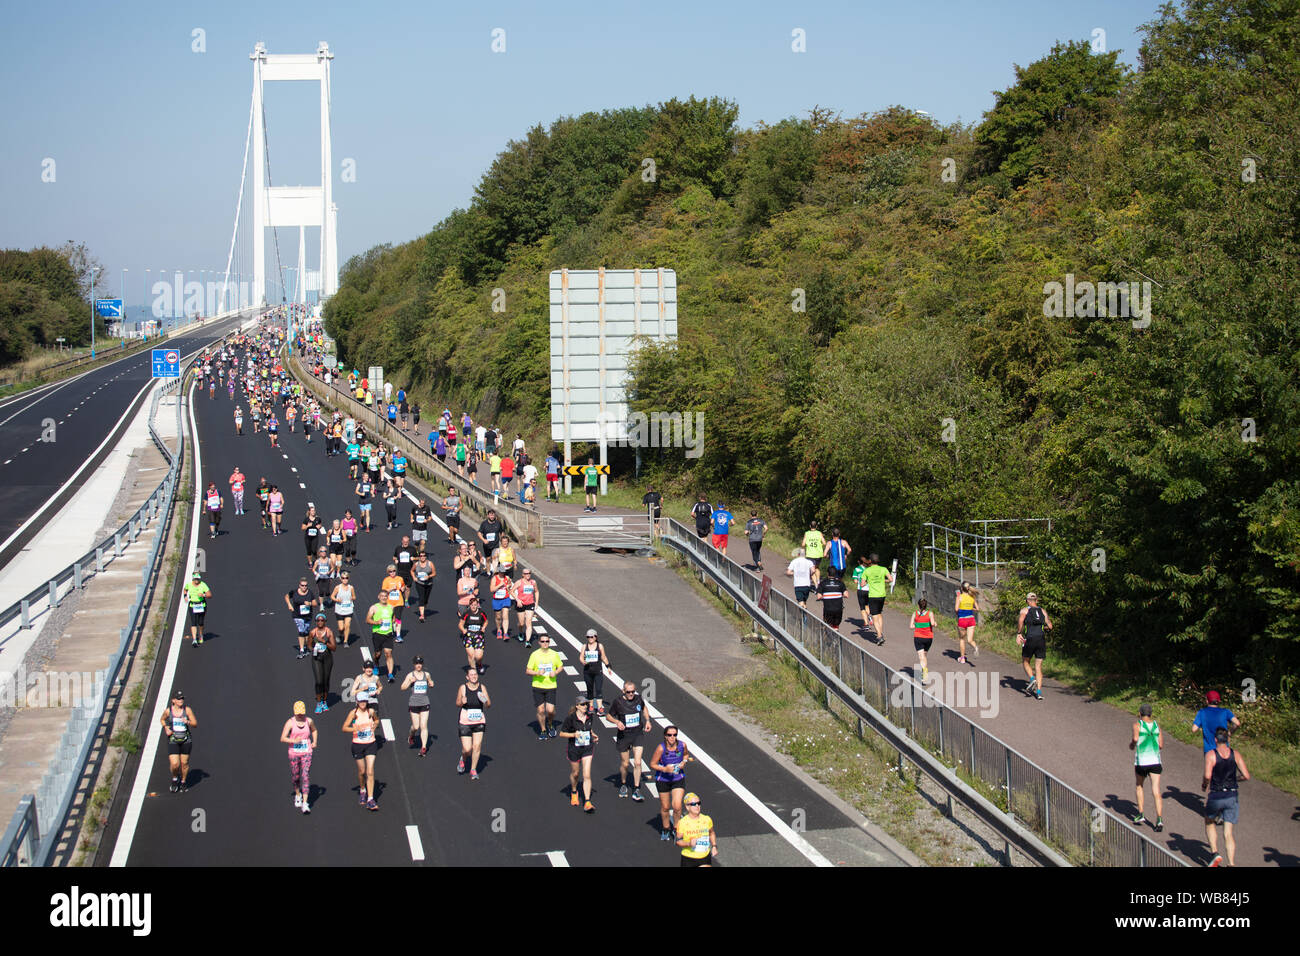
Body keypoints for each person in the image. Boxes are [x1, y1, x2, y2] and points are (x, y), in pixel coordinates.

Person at [1203, 726, 1249, 866]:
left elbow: (1207, 775)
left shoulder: (1211, 754)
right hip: (1232, 795)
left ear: (1216, 740)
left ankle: (1215, 852)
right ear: (1227, 739)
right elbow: (1246, 776)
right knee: (1228, 832)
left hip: (1216, 794)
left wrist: (1205, 785)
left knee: (1209, 822)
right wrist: (1236, 779)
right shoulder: (1236, 754)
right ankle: (1231, 863)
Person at [609, 681, 649, 801]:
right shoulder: (618, 702)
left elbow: (644, 708)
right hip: (624, 736)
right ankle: (623, 783)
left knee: (637, 762)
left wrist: (647, 720)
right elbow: (609, 716)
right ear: (623, 691)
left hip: (637, 734)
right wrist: (617, 722)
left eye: (633, 691)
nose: (631, 694)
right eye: (628, 692)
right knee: (625, 763)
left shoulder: (638, 699)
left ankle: (636, 788)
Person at [651, 725, 692, 841]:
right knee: (665, 807)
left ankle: (676, 828)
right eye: (669, 735)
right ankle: (665, 828)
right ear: (665, 736)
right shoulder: (661, 748)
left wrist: (684, 761)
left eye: (675, 735)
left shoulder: (682, 745)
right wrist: (664, 769)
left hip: (677, 779)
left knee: (677, 806)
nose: (672, 737)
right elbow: (652, 764)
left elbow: (686, 754)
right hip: (663, 780)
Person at [560, 698, 599, 813]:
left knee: (586, 775)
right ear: (577, 706)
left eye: (586, 704)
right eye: (582, 704)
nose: (585, 706)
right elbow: (562, 733)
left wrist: (593, 735)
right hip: (574, 749)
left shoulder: (590, 716)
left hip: (587, 748)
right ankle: (573, 791)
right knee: (576, 773)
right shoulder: (570, 719)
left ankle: (587, 801)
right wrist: (573, 734)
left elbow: (589, 729)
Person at [343, 696, 380, 811]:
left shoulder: (371, 711)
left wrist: (374, 726)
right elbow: (344, 728)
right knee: (362, 771)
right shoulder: (353, 713)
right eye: (360, 701)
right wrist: (356, 729)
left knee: (370, 771)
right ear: (357, 702)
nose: (363, 703)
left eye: (364, 701)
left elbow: (377, 720)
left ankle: (370, 799)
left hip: (371, 744)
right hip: (357, 745)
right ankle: (363, 789)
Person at [1130, 703, 1164, 832]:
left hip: (1142, 761)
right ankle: (1159, 818)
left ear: (1140, 714)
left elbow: (1135, 738)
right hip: (1155, 761)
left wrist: (1132, 745)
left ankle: (1141, 813)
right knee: (1156, 790)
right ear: (1151, 714)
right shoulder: (1156, 726)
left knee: (1139, 786)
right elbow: (1160, 745)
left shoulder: (1138, 725)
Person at [280, 701, 318, 814]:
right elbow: (282, 738)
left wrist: (315, 741)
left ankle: (305, 803)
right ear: (295, 713)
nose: (300, 715)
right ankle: (298, 794)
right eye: (298, 713)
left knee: (305, 775)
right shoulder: (290, 723)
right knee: (296, 776)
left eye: (302, 713)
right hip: (294, 752)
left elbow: (314, 730)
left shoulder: (309, 721)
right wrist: (293, 740)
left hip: (306, 751)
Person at [526, 634, 565, 739]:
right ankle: (543, 730)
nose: (545, 643)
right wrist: (537, 673)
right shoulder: (534, 655)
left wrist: (555, 672)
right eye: (543, 641)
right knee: (541, 710)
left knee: (550, 710)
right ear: (539, 642)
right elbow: (528, 670)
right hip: (538, 686)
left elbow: (561, 666)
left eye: (547, 641)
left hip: (551, 686)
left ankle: (550, 724)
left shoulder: (554, 654)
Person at [1016, 592, 1052, 699]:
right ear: (1036, 600)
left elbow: (1021, 620)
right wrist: (1042, 628)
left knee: (1025, 660)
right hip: (1041, 639)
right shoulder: (1043, 611)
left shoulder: (1025, 610)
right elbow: (1050, 626)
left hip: (1030, 638)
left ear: (1027, 601)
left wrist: (1019, 633)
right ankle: (1039, 692)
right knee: (1038, 666)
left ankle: (1032, 679)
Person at [456, 668, 490, 778]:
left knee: (477, 746)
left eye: (475, 674)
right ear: (467, 677)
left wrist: (485, 700)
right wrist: (462, 702)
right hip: (465, 720)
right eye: (471, 675)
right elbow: (457, 703)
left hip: (479, 719)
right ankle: (463, 758)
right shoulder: (463, 688)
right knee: (467, 749)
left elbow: (488, 705)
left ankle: (473, 769)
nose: (474, 676)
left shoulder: (482, 687)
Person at [160, 690, 196, 793]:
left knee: (184, 763)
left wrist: (187, 721)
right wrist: (166, 727)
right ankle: (175, 779)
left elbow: (195, 723)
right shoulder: (168, 711)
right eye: (179, 699)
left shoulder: (187, 710)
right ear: (173, 700)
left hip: (185, 740)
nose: (181, 700)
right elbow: (162, 719)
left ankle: (183, 781)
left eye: (182, 698)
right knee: (175, 764)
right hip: (173, 740)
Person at [401, 656, 433, 756]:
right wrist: (410, 681)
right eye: (416, 664)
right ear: (414, 664)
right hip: (414, 703)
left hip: (424, 702)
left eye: (420, 663)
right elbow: (402, 687)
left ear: (422, 664)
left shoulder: (426, 674)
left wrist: (431, 683)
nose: (418, 665)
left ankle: (423, 747)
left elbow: (430, 682)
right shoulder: (410, 675)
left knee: (424, 726)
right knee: (416, 726)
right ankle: (411, 736)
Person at [676, 793, 717, 867]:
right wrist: (689, 844)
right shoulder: (682, 822)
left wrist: (714, 846)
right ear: (687, 807)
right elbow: (678, 841)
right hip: (688, 858)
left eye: (698, 803)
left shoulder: (707, 819)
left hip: (705, 857)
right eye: (693, 804)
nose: (697, 806)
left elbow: (711, 833)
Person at [307, 611, 336, 713]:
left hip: (327, 657)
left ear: (325, 622)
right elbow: (309, 645)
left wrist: (324, 642)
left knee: (325, 681)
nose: (320, 622)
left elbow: (334, 648)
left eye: (322, 620)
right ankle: (319, 703)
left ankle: (324, 701)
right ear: (315, 622)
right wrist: (314, 649)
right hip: (317, 658)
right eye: (318, 620)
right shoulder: (312, 632)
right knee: (319, 681)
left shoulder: (329, 632)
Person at [862, 553, 894, 644]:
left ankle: (879, 636)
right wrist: (883, 580)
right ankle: (880, 631)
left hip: (873, 595)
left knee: (874, 616)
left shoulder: (867, 571)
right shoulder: (883, 569)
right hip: (882, 595)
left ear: (870, 561)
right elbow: (891, 579)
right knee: (879, 614)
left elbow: (862, 584)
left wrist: (869, 581)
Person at [367, 587, 397, 681]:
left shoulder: (391, 607)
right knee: (377, 654)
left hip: (388, 634)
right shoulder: (374, 607)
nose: (384, 598)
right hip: (378, 634)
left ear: (387, 597)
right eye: (382, 596)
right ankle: (376, 664)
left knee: (388, 653)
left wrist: (393, 627)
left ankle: (390, 674)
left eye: (385, 596)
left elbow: (393, 618)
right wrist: (376, 622)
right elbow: (367, 620)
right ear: (379, 597)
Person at [285, 578, 319, 659]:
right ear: (299, 585)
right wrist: (289, 605)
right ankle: (301, 650)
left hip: (307, 615)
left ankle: (307, 646)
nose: (304, 587)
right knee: (301, 630)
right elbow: (286, 596)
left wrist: (310, 603)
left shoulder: (310, 593)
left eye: (305, 586)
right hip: (297, 615)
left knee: (306, 631)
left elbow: (315, 603)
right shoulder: (294, 592)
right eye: (302, 585)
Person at [579, 629, 611, 714]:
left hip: (597, 671)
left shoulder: (599, 646)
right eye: (588, 637)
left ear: (595, 637)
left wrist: (608, 666)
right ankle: (591, 706)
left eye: (592, 637)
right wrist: (583, 662)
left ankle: (600, 708)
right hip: (588, 671)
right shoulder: (584, 646)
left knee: (598, 689)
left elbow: (603, 657)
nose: (590, 638)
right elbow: (581, 657)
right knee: (590, 689)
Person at [459, 596, 490, 672]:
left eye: (475, 605)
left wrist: (483, 627)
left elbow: (486, 621)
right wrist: (463, 630)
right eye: (472, 605)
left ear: (477, 605)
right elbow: (460, 624)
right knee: (471, 655)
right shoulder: (466, 613)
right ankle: (473, 670)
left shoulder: (481, 613)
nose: (473, 607)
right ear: (469, 605)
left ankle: (479, 664)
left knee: (478, 656)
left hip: (478, 636)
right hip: (468, 636)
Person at [909, 599, 935, 684]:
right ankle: (924, 673)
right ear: (926, 605)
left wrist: (918, 624)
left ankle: (924, 670)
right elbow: (933, 623)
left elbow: (911, 626)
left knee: (921, 657)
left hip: (918, 637)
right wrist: (934, 623)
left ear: (918, 605)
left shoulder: (915, 614)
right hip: (928, 638)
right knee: (924, 656)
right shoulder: (930, 613)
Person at [512, 567, 540, 645]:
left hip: (530, 604)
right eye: (526, 573)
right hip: (521, 604)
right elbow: (511, 591)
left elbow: (536, 591)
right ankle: (520, 632)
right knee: (521, 623)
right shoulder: (519, 582)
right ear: (522, 575)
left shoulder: (533, 582)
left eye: (529, 573)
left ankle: (527, 641)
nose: (528, 575)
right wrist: (517, 600)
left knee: (528, 622)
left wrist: (536, 602)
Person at [955, 582, 980, 665]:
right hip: (971, 619)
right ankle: (975, 647)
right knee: (970, 640)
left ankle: (962, 658)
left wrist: (959, 612)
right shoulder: (972, 597)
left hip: (962, 619)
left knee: (962, 639)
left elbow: (956, 609)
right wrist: (970, 608)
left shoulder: (959, 597)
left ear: (961, 589)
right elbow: (977, 609)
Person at [185, 572, 211, 647]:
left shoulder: (203, 585)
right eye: (195, 579)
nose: (197, 580)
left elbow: (210, 595)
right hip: (192, 605)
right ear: (193, 579)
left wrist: (203, 595)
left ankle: (201, 635)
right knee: (193, 622)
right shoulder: (189, 585)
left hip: (201, 605)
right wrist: (185, 596)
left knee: (200, 622)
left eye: (198, 579)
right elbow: (185, 589)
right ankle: (194, 640)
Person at [411, 551, 437, 623]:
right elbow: (412, 571)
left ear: (426, 556)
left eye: (424, 556)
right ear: (419, 557)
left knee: (425, 599)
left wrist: (428, 576)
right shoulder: (416, 564)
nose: (422, 557)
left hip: (428, 583)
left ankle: (423, 606)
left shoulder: (430, 563)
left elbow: (434, 573)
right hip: (419, 583)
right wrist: (414, 577)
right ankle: (422, 615)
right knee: (421, 597)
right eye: (421, 556)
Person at [488, 568, 513, 641]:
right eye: (501, 572)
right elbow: (491, 590)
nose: (503, 573)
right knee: (498, 617)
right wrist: (500, 585)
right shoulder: (494, 579)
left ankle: (505, 633)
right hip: (497, 600)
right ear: (498, 572)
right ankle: (499, 629)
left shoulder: (507, 577)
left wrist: (509, 585)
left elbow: (509, 584)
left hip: (505, 599)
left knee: (505, 615)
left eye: (504, 572)